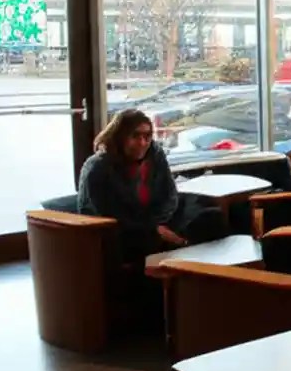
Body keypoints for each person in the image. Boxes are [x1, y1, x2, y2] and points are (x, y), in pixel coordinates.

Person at [77, 109, 225, 261]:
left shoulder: (155, 154)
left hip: (157, 219)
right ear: (121, 136)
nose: (142, 143)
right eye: (135, 136)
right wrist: (153, 230)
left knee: (211, 215)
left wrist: (161, 224)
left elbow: (170, 195)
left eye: (147, 137)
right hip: (124, 229)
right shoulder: (98, 167)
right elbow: (110, 214)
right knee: (148, 240)